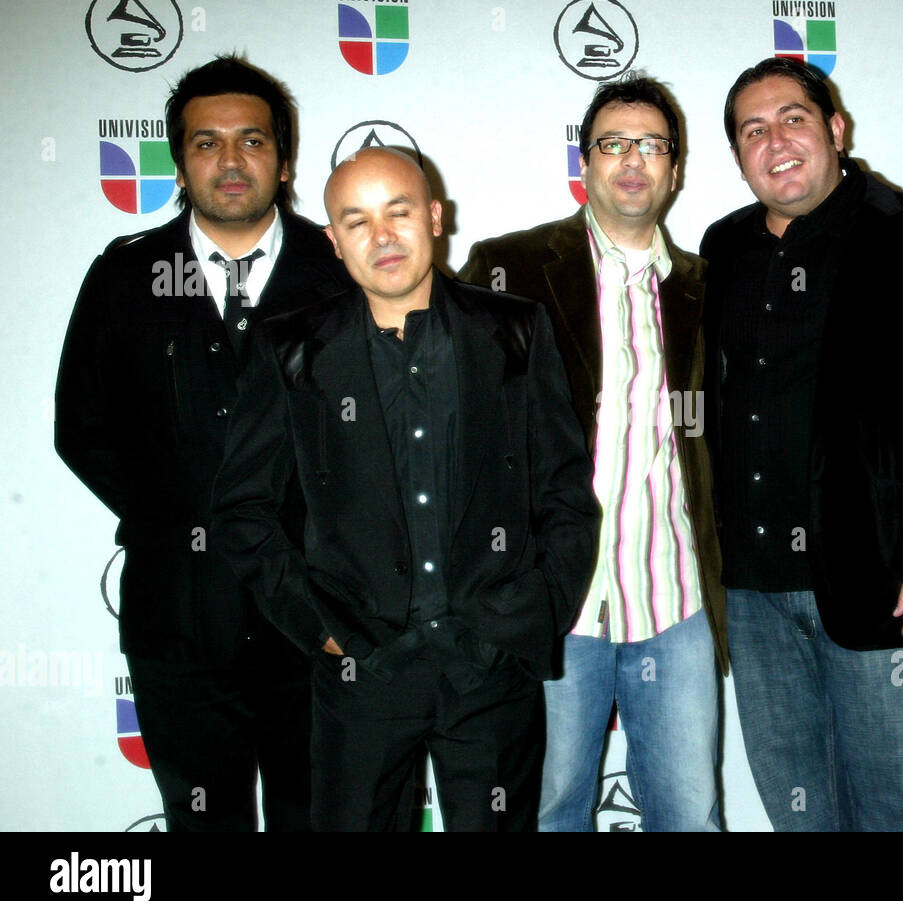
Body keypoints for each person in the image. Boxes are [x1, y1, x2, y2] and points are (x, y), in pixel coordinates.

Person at [212, 147, 599, 831]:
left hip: (490, 668)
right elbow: (243, 510)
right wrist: (322, 631)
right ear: (333, 241)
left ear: (436, 215)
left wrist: (531, 612)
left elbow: (565, 490)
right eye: (356, 222)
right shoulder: (291, 348)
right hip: (361, 674)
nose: (383, 237)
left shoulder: (514, 330)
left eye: (399, 212)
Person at [700, 57, 903, 831]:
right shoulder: (723, 248)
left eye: (794, 119)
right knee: (801, 817)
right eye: (753, 130)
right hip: (753, 594)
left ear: (836, 129)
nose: (777, 141)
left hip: (889, 586)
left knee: (900, 816)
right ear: (738, 154)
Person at [54, 55, 349, 831]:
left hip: (319, 615)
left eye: (251, 140)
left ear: (284, 161)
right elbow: (82, 430)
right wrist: (185, 521)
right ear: (179, 163)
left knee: (318, 815)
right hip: (178, 618)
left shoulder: (344, 273)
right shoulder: (126, 277)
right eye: (206, 142)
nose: (229, 160)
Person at [459, 75, 724, 832]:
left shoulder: (708, 287)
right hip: (554, 608)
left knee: (689, 816)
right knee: (548, 813)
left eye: (652, 144)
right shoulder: (508, 270)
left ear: (676, 167)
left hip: (675, 602)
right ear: (584, 163)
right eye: (613, 143)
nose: (633, 160)